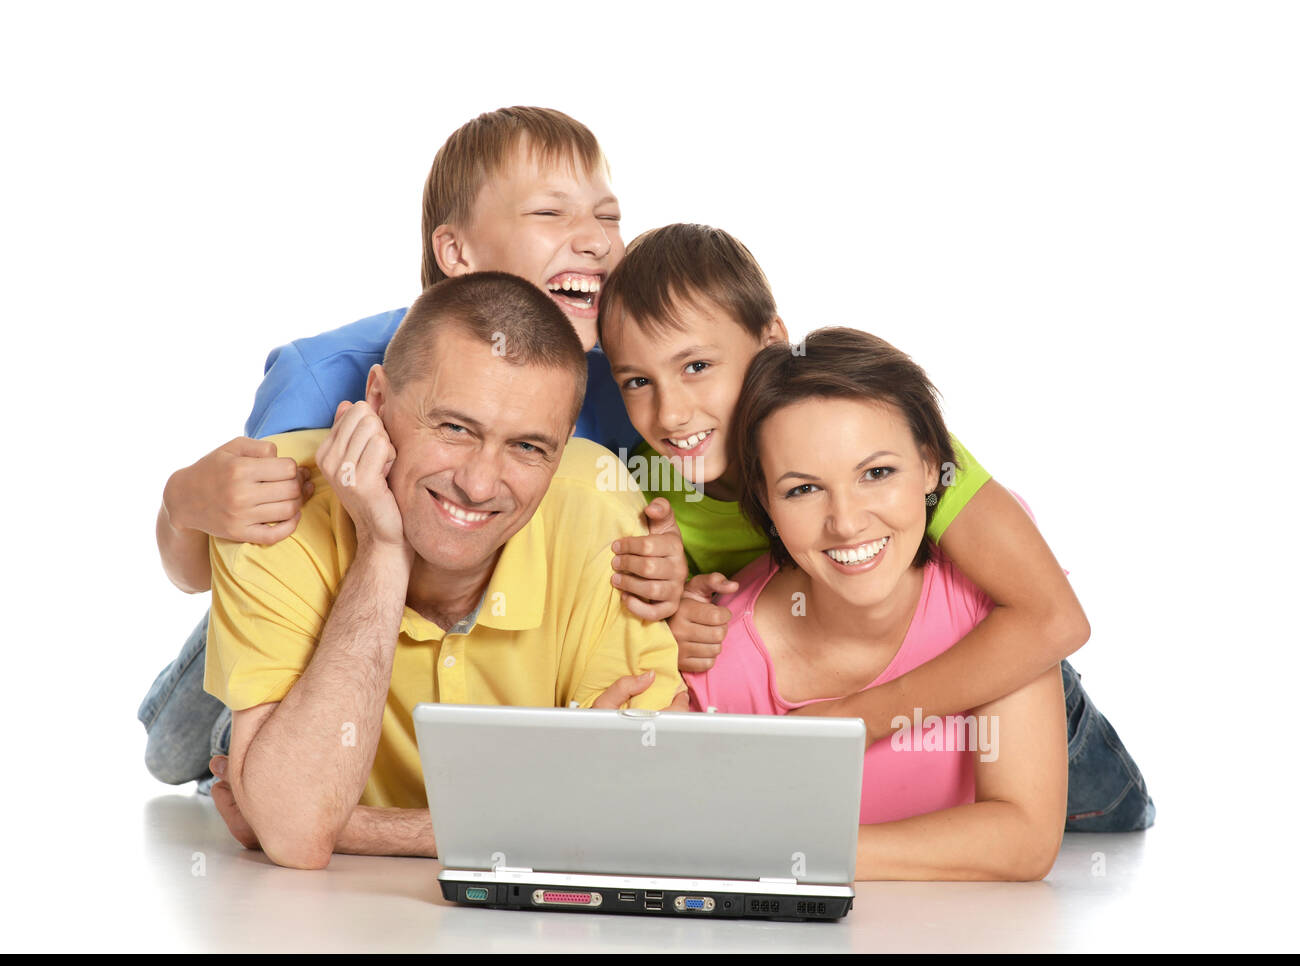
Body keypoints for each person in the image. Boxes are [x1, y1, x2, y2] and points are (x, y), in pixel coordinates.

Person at [141, 107, 687, 789]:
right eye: (551, 213)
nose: (598, 241)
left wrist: (669, 567)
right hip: (325, 603)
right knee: (181, 749)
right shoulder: (323, 376)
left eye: (608, 217)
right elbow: (239, 555)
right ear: (456, 253)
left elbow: (622, 534)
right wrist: (182, 508)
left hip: (476, 623)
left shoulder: (617, 385)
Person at [597, 223, 1154, 831]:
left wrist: (855, 719)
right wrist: (677, 614)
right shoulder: (645, 485)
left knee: (1097, 816)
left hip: (993, 674)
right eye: (637, 382)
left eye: (698, 366)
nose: (671, 413)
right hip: (856, 713)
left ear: (771, 341)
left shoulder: (873, 434)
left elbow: (1053, 619)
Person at [203, 272, 687, 870]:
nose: (479, 485)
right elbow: (297, 834)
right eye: (455, 428)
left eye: (528, 447)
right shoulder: (274, 507)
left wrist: (348, 825)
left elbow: (641, 809)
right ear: (377, 400)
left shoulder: (601, 509)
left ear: (562, 449)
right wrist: (382, 549)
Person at [686, 330, 1066, 879]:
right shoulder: (718, 655)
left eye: (877, 473)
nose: (846, 523)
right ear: (765, 503)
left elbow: (1026, 840)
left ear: (932, 467)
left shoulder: (996, 595)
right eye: (802, 489)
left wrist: (802, 850)